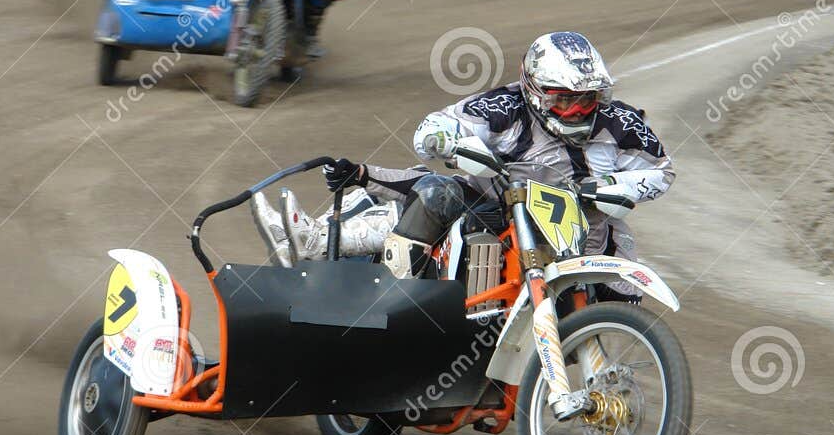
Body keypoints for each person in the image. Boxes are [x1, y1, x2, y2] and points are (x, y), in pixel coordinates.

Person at [269, 33, 675, 290]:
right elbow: (431, 129)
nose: (575, 110)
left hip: (589, 235)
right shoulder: (504, 106)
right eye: (563, 99)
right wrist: (444, 139)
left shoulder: (621, 122)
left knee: (626, 297)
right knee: (436, 192)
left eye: (586, 99)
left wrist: (613, 189)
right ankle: (337, 250)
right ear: (534, 88)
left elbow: (662, 172)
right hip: (504, 214)